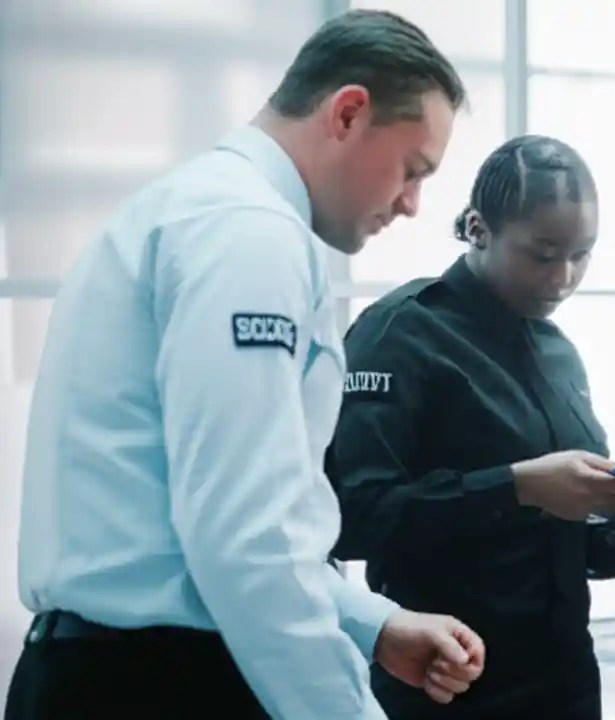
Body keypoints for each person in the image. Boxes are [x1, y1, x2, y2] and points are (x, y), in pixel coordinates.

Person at [6, 10, 488, 720]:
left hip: (110, 673)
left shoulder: (188, 211)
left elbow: (209, 521)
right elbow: (248, 540)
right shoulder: (248, 236)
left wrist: (368, 621)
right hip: (156, 684)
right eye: (412, 170)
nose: (413, 204)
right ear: (348, 113)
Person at [325, 133, 615, 720]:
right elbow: (352, 518)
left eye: (581, 254)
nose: (563, 276)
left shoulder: (560, 350)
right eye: (542, 254)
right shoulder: (399, 336)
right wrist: (517, 485)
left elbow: (564, 532)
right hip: (446, 686)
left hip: (565, 684)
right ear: (477, 228)